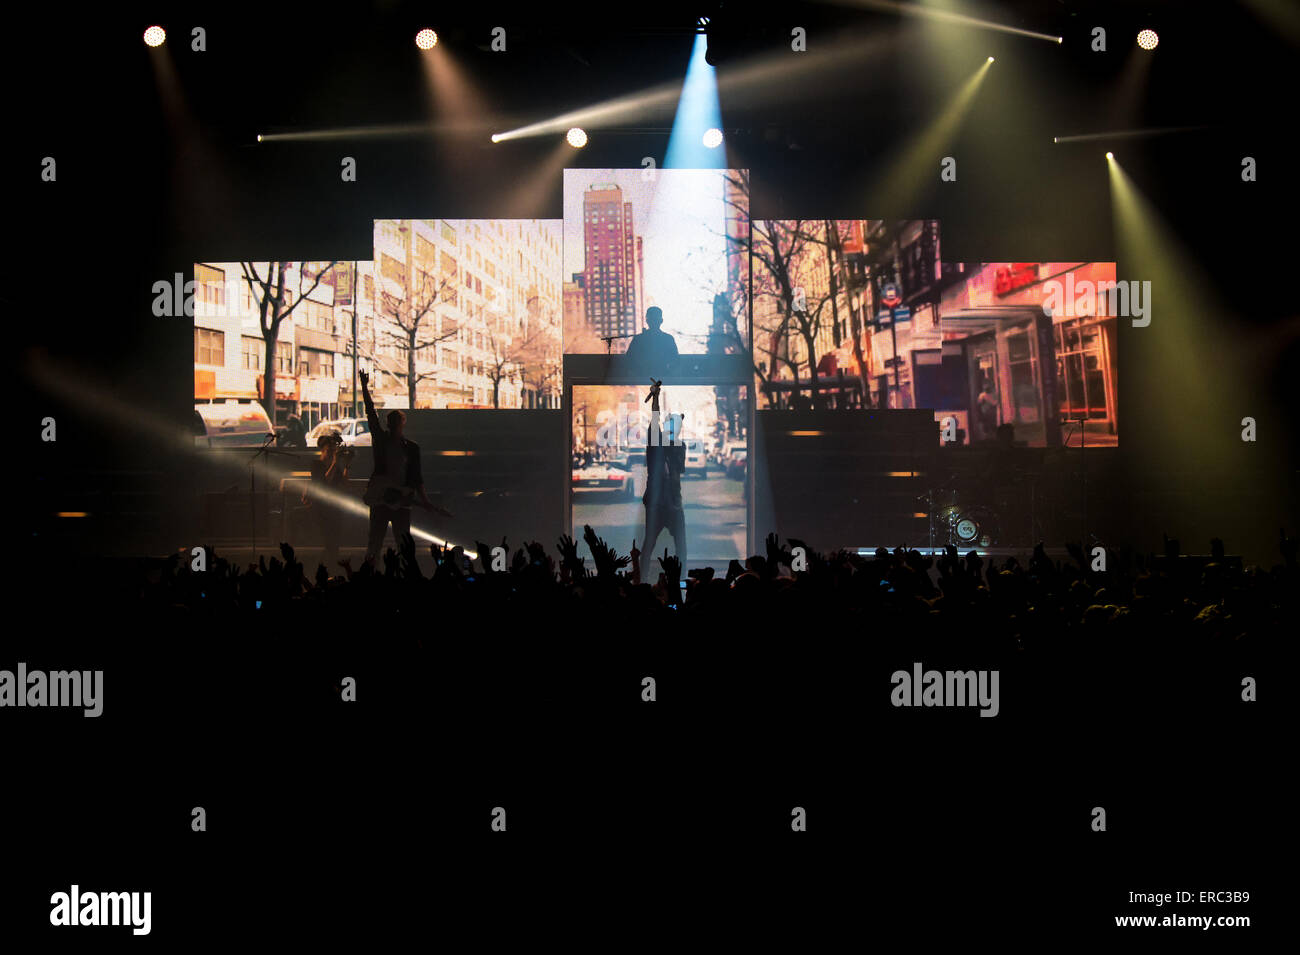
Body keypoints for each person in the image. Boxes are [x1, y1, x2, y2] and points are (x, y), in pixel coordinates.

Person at [358, 369, 438, 564]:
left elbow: (371, 414)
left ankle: (372, 575)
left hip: (387, 498)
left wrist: (364, 387)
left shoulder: (384, 441)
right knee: (396, 543)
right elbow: (416, 478)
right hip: (398, 500)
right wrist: (424, 501)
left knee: (378, 541)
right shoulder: (410, 447)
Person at [642, 380, 687, 568]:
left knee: (681, 547)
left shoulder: (679, 447)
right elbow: (654, 420)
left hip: (674, 503)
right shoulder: (655, 444)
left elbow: (679, 469)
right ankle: (641, 577)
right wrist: (656, 398)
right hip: (657, 503)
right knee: (648, 544)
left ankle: (681, 578)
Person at [302, 432, 350, 571]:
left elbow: (345, 483)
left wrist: (347, 465)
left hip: (334, 507)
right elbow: (324, 482)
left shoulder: (336, 467)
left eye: (333, 451)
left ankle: (333, 568)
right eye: (329, 451)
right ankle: (323, 569)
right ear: (322, 450)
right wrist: (335, 463)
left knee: (335, 542)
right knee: (326, 541)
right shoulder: (316, 465)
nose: (331, 454)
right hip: (321, 509)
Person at [624, 306, 678, 374]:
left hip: (642, 376)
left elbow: (629, 358)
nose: (654, 321)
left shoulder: (638, 339)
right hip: (661, 375)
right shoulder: (668, 338)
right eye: (653, 319)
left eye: (655, 319)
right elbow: (675, 359)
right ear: (661, 321)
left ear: (647, 321)